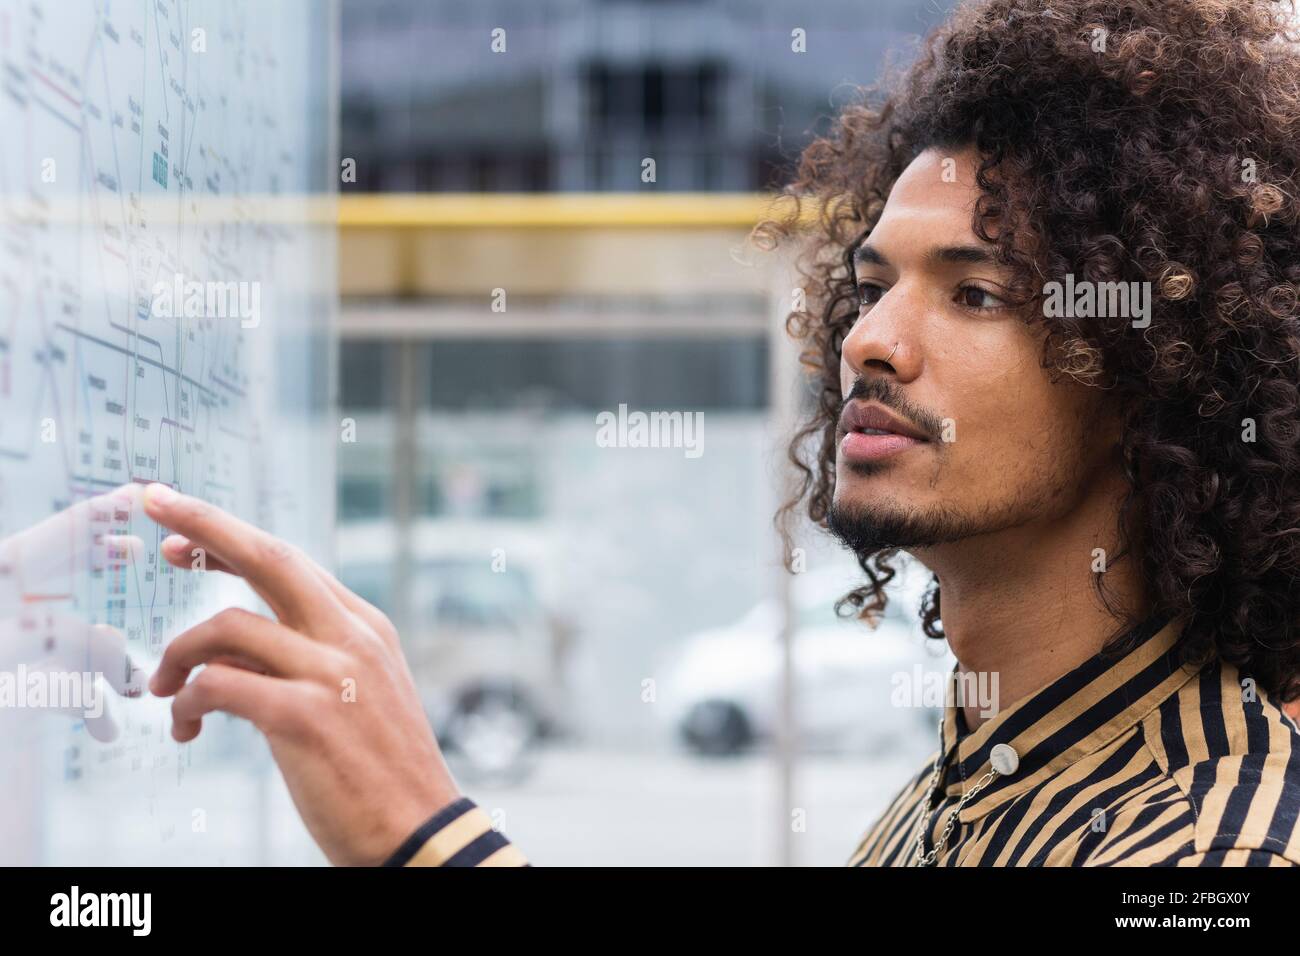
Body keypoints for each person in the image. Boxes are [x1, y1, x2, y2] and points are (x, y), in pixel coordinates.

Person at [142, 0, 1300, 866]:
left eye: (975, 292)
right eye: (872, 282)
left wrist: (424, 836)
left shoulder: (1206, 845)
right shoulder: (966, 784)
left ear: (1158, 377)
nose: (867, 340)